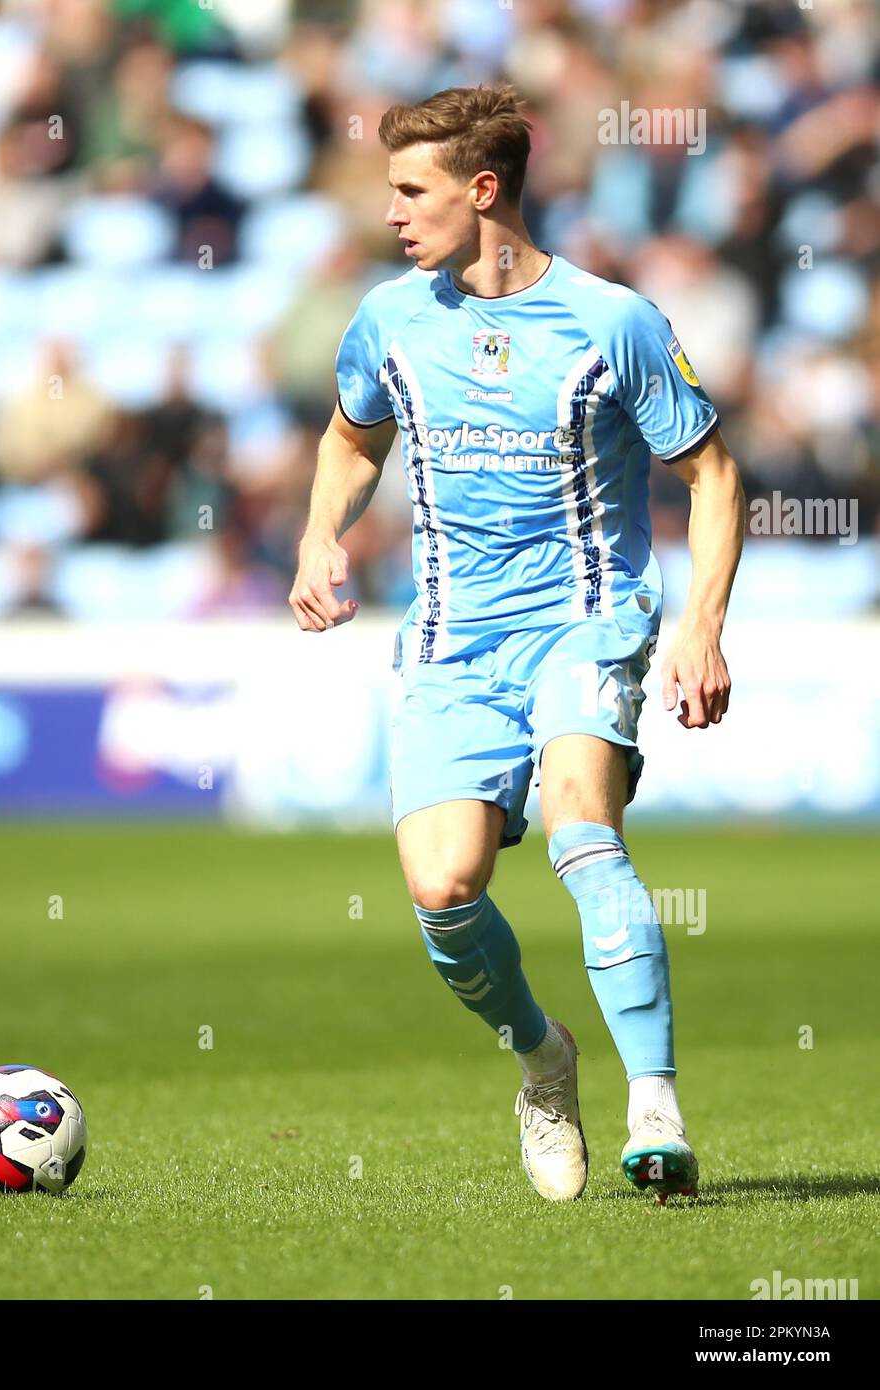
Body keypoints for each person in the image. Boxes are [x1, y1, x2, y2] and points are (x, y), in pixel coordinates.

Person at [289, 83, 745, 1204]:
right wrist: (316, 537)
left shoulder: (613, 322)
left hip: (584, 623)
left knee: (582, 827)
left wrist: (699, 626)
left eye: (412, 189)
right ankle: (544, 1059)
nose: (391, 210)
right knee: (443, 887)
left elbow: (713, 475)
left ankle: (656, 1106)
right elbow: (352, 439)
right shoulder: (390, 317)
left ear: (483, 190)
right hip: (451, 642)